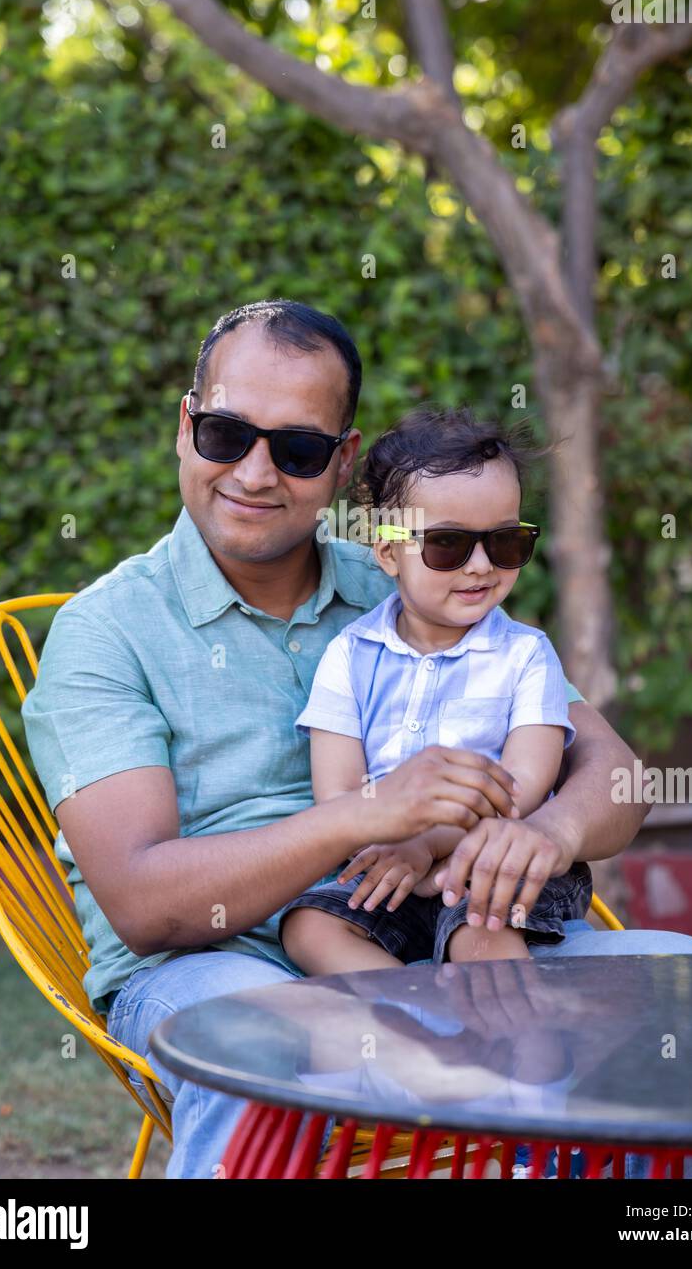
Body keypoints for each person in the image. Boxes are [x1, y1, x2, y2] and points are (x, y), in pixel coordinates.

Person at [21, 298, 692, 1180]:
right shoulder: (109, 631)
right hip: (218, 962)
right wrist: (371, 816)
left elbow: (609, 771)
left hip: (444, 935)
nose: (256, 472)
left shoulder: (415, 571)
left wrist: (547, 833)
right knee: (258, 1050)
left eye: (299, 449)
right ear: (185, 426)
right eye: (227, 433)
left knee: (690, 990)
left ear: (344, 463)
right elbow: (145, 903)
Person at [281, 406, 592, 975]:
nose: (479, 566)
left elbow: (519, 792)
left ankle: (511, 1050)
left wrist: (430, 846)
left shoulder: (526, 656)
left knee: (481, 928)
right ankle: (404, 1025)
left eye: (505, 543)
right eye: (447, 544)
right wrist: (398, 847)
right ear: (387, 552)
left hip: (490, 865)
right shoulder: (349, 656)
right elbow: (339, 797)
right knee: (309, 927)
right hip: (385, 865)